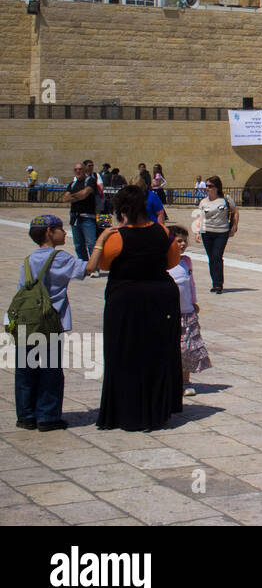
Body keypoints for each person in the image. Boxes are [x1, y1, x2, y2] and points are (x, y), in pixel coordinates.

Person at [94, 185, 184, 432]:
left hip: (126, 299)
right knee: (157, 352)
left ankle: (127, 410)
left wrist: (102, 238)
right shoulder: (164, 232)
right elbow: (172, 262)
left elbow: (102, 264)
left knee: (124, 352)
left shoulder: (115, 237)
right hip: (160, 297)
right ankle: (158, 409)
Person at [11, 215, 99, 431]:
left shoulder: (28, 260)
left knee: (25, 368)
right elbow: (88, 268)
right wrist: (101, 242)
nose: (65, 233)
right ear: (50, 231)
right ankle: (47, 416)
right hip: (49, 322)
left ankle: (26, 415)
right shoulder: (59, 258)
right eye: (61, 229)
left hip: (26, 321)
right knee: (50, 369)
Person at [167, 225, 211, 396]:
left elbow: (190, 283)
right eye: (178, 241)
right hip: (170, 314)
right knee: (172, 348)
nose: (182, 244)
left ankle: (185, 381)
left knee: (187, 350)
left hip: (187, 312)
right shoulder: (163, 263)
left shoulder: (186, 261)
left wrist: (194, 302)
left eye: (185, 241)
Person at [198, 176, 238, 293]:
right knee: (211, 258)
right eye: (206, 186)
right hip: (206, 232)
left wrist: (234, 226)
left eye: (210, 186)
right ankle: (214, 283)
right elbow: (200, 217)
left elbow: (235, 212)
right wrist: (197, 231)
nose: (207, 188)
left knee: (217, 256)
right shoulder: (203, 202)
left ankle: (219, 284)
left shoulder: (226, 199)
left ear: (217, 187)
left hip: (221, 232)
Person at [60, 162, 99, 263]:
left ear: (85, 170)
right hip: (75, 218)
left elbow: (84, 194)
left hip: (88, 217)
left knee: (91, 244)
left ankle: (95, 267)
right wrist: (78, 196)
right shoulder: (72, 184)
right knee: (78, 245)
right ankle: (84, 266)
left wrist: (72, 197)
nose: (78, 171)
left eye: (80, 169)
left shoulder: (92, 180)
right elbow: (64, 199)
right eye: (76, 169)